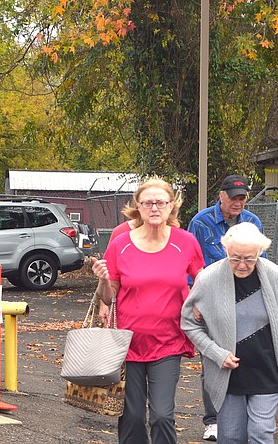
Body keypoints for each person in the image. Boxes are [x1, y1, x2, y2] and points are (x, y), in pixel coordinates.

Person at [92, 177, 205, 444]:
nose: (154, 208)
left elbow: (201, 279)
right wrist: (103, 280)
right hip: (127, 343)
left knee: (162, 416)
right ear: (138, 207)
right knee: (131, 417)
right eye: (148, 203)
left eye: (160, 203)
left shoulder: (186, 242)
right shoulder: (120, 244)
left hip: (168, 342)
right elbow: (109, 297)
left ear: (171, 206)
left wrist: (200, 304)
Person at [181, 222, 278, 444]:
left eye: (250, 259)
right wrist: (216, 353)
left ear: (259, 253)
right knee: (231, 436)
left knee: (261, 433)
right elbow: (188, 322)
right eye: (235, 258)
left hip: (267, 370)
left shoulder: (274, 275)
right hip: (228, 375)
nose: (243, 265)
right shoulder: (209, 278)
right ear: (226, 250)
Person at [187, 174, 265, 441]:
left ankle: (242, 415)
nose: (238, 202)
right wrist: (194, 299)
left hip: (245, 299)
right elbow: (191, 263)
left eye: (242, 197)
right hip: (212, 299)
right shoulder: (201, 222)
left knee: (244, 356)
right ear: (221, 196)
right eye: (233, 197)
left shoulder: (253, 223)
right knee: (213, 360)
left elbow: (262, 263)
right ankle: (213, 420)